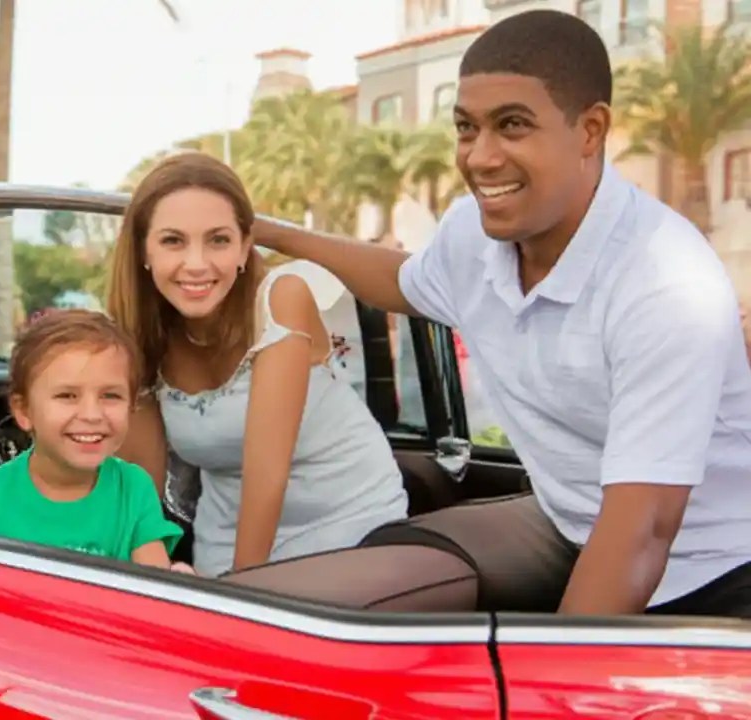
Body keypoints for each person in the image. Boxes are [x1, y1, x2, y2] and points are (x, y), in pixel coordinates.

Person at [238, 9, 751, 617]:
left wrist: (552, 687)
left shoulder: (665, 282)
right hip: (566, 521)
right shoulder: (471, 236)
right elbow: (403, 281)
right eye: (466, 128)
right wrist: (268, 231)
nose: (479, 158)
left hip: (714, 564)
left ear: (590, 131)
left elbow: (641, 535)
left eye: (512, 126)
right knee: (349, 596)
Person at [106, 152, 409, 578]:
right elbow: (141, 488)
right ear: (144, 251)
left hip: (351, 524)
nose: (197, 264)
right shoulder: (139, 342)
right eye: (173, 241)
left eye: (219, 240)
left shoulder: (282, 297)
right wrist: (148, 572)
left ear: (246, 248)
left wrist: (245, 589)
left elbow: (268, 470)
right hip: (224, 535)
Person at [0, 309, 192, 573]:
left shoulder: (133, 488)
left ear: (131, 406)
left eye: (110, 396)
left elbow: (153, 587)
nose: (91, 415)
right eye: (67, 396)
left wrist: (175, 579)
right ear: (24, 411)